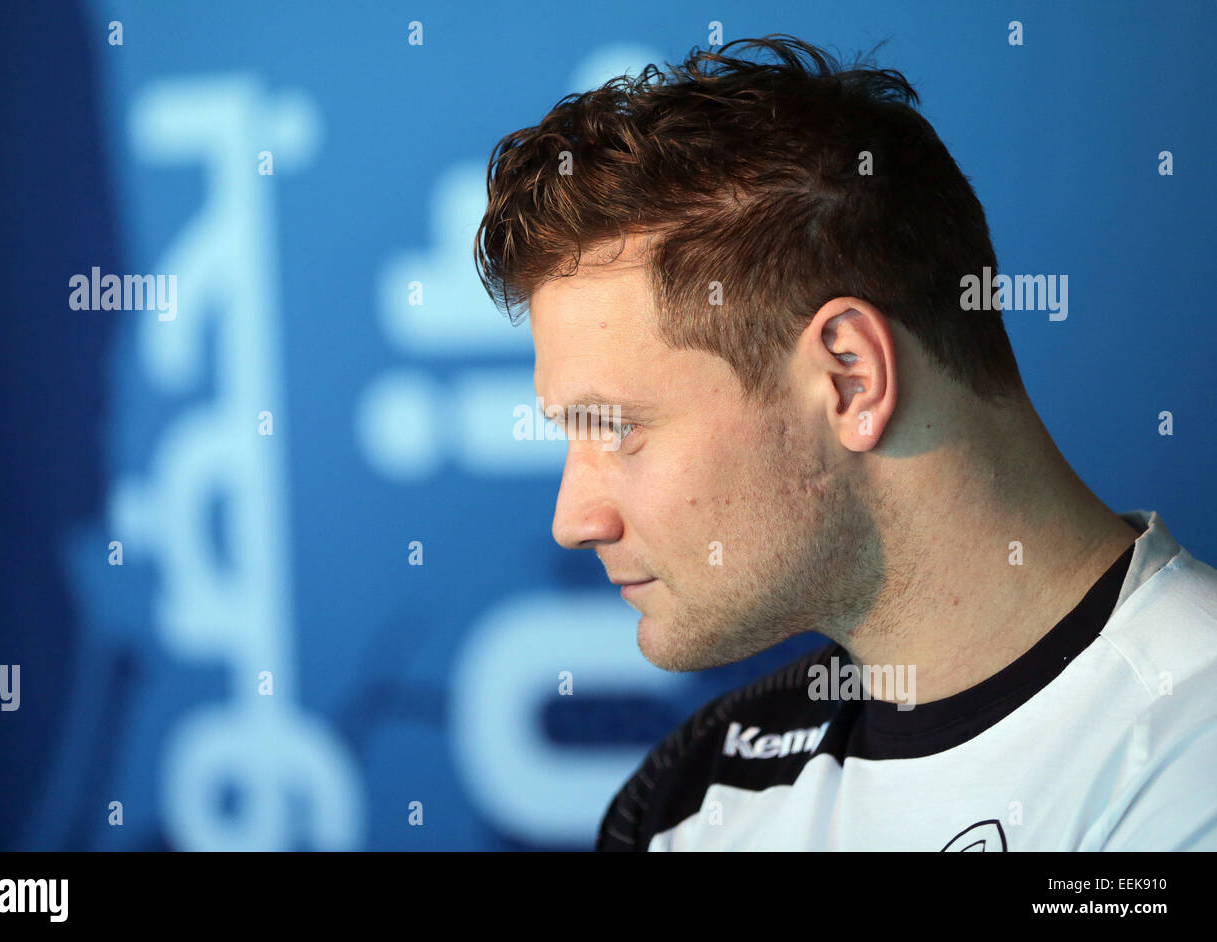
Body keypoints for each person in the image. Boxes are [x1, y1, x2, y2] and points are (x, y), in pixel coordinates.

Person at [472, 34, 1217, 851]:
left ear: (851, 378)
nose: (573, 520)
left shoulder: (1188, 745)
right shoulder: (691, 796)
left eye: (616, 429)